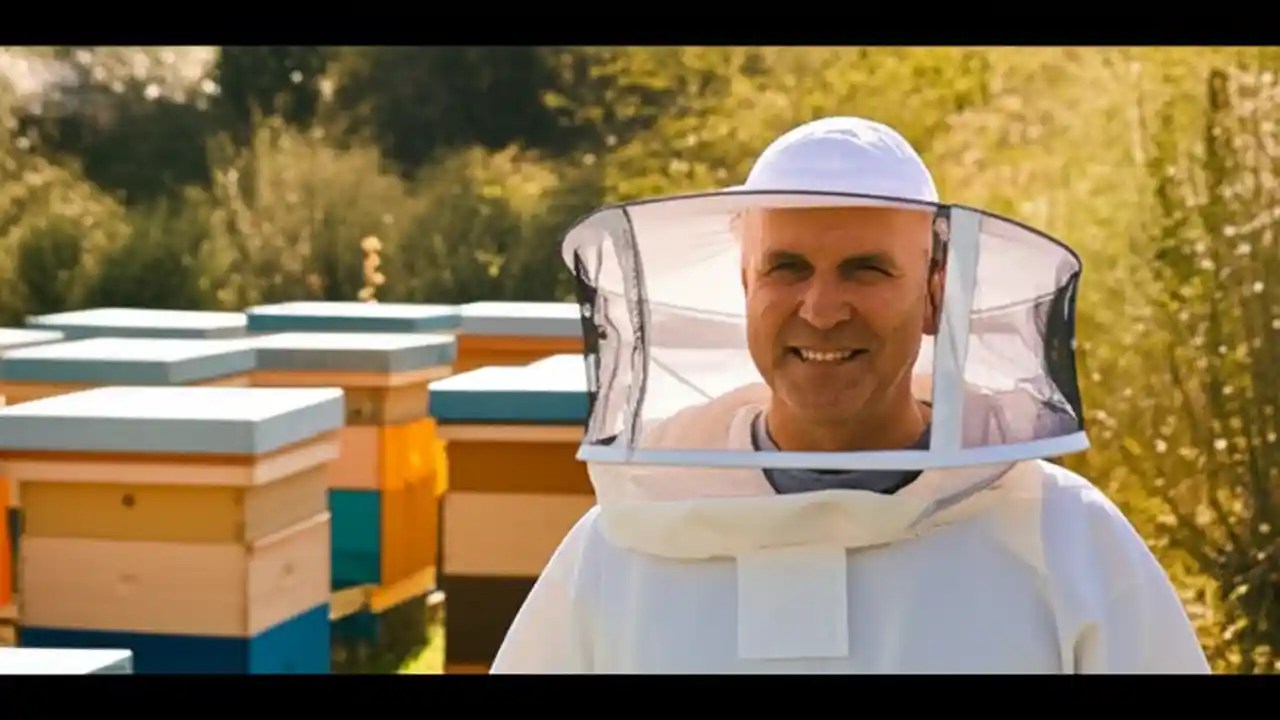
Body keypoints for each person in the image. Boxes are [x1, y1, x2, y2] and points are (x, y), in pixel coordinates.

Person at [490, 115, 1210, 673]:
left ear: (934, 297)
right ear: (744, 287)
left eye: (866, 269)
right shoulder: (625, 544)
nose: (822, 308)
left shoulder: (1067, 541)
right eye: (786, 268)